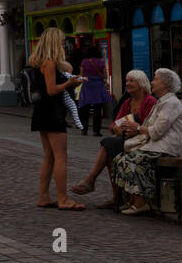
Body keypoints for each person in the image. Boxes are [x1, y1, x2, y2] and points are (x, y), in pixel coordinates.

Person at [70, 70, 155, 207]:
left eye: (131, 81)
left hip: (142, 141)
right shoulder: (127, 102)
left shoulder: (149, 102)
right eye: (127, 81)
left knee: (108, 145)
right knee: (110, 153)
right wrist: (119, 128)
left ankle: (92, 181)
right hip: (126, 139)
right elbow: (115, 124)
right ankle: (114, 197)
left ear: (141, 84)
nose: (128, 84)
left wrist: (127, 129)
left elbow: (147, 125)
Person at [112, 68, 182, 215]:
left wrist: (138, 127)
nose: (152, 82)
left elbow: (156, 132)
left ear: (165, 83)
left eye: (156, 79)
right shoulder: (161, 102)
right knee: (118, 159)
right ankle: (131, 200)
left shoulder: (171, 103)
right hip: (154, 145)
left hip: (165, 147)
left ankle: (141, 203)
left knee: (131, 161)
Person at [29, 26, 87, 210]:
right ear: (55, 42)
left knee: (49, 156)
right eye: (62, 41)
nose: (64, 44)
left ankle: (44, 196)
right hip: (52, 112)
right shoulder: (49, 63)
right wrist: (70, 83)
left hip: (41, 112)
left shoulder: (40, 62)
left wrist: (68, 78)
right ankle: (63, 199)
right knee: (61, 156)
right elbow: (52, 90)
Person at [76, 47, 111, 136]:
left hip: (87, 85)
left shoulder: (84, 62)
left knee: (85, 108)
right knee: (97, 109)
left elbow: (81, 75)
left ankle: (84, 129)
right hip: (98, 86)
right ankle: (96, 131)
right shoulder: (101, 62)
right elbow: (105, 76)